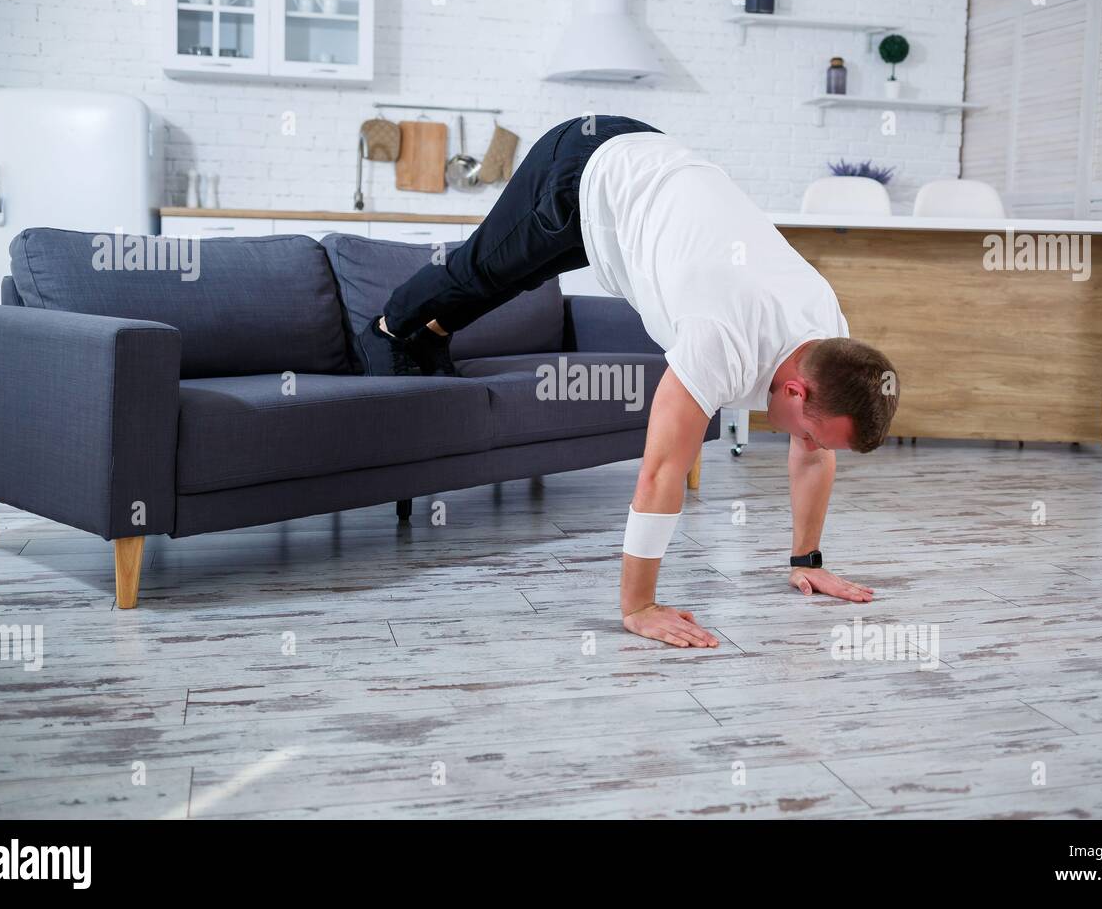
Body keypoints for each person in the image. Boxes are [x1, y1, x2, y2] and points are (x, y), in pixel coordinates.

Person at [362, 114, 899, 649]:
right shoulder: (720, 338)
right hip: (581, 168)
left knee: (518, 277)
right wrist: (638, 606)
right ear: (796, 391)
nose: (807, 445)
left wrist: (806, 562)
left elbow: (813, 454)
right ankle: (387, 329)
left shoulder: (829, 336)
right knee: (483, 271)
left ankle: (429, 336)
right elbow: (660, 472)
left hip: (637, 186)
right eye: (810, 433)